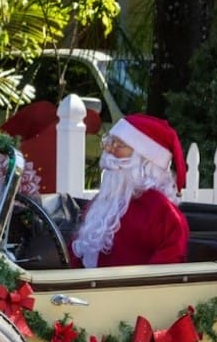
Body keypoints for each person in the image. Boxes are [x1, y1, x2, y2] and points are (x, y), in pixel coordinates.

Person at [71, 114, 189, 267]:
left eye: (119, 145)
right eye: (109, 141)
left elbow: (163, 277)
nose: (108, 150)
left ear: (145, 160)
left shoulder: (163, 213)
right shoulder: (102, 203)